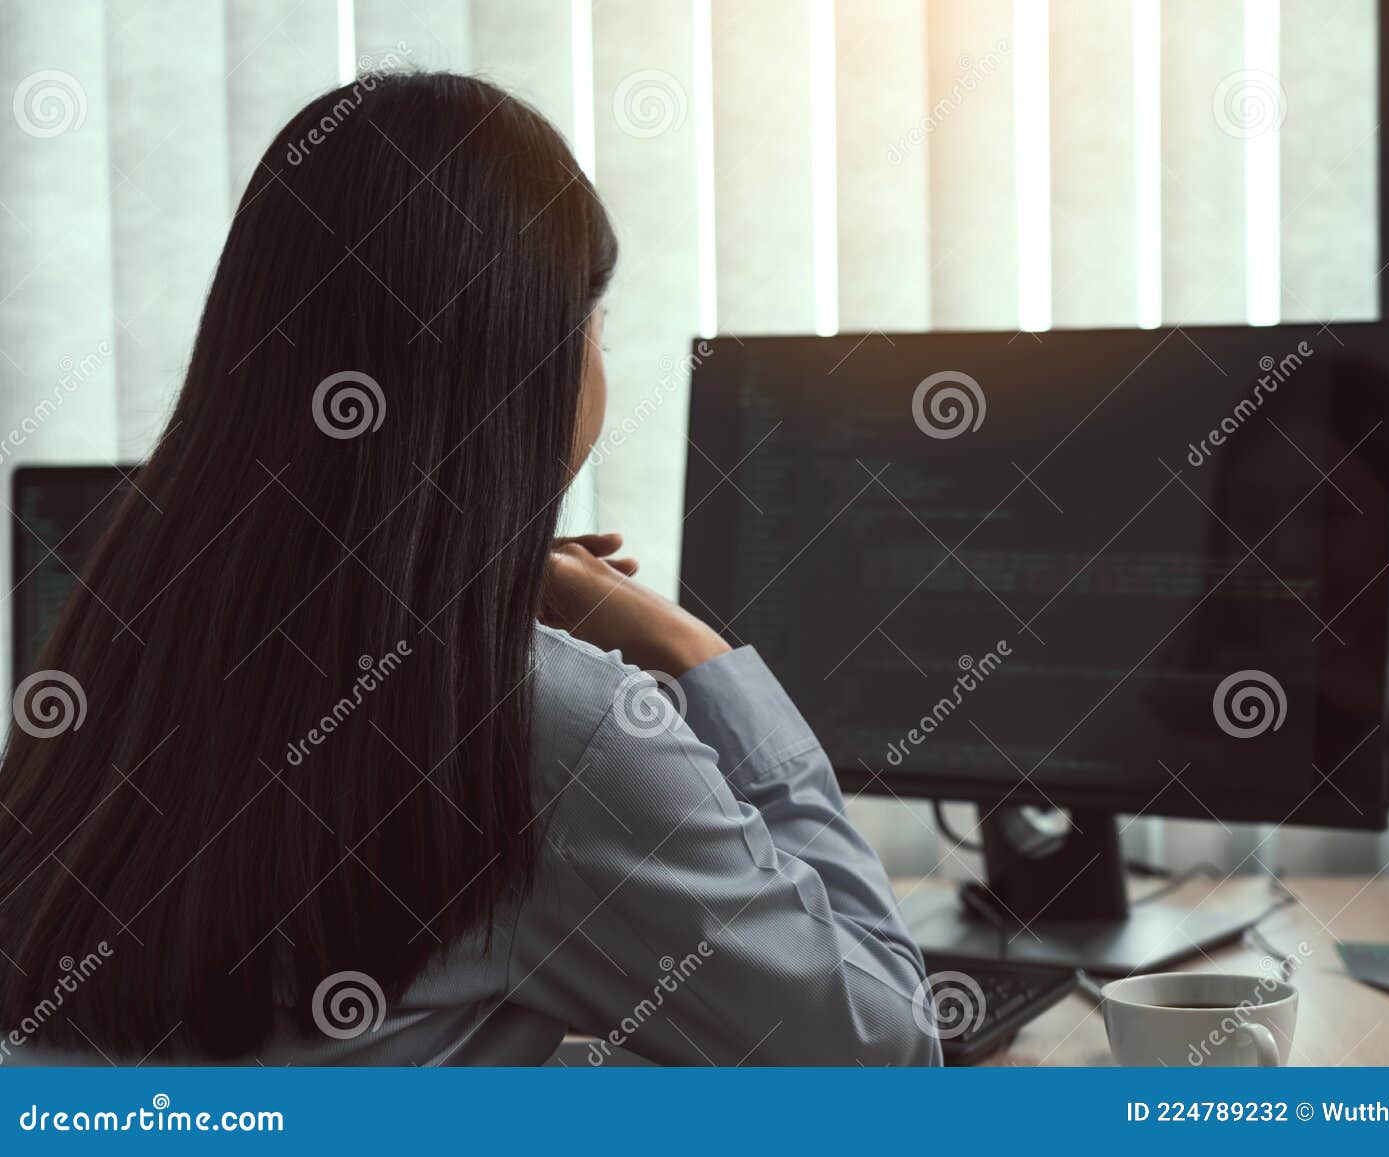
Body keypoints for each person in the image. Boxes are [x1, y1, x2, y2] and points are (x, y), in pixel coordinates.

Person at [0, 72, 937, 1067]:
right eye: (595, 329)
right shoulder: (550, 733)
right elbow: (883, 1055)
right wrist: (690, 650)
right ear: (532, 365)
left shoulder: (129, 637)